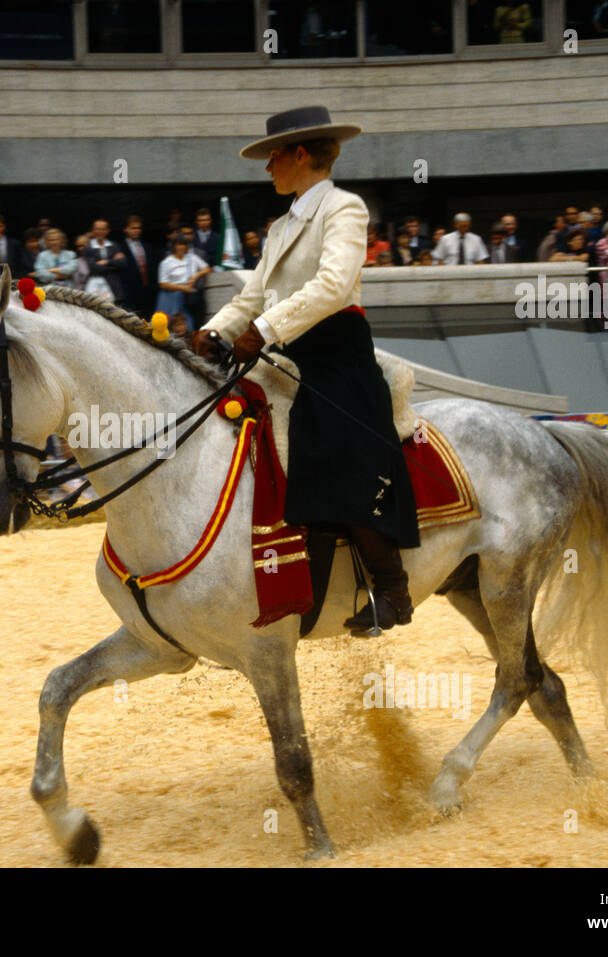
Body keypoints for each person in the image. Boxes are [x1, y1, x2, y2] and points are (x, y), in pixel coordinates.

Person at [189, 105, 419, 633]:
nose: (267, 166)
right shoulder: (280, 225)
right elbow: (252, 294)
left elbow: (334, 285)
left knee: (337, 445)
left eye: (273, 156)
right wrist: (216, 330)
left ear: (299, 154)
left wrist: (264, 330)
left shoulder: (345, 209)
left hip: (337, 352)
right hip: (286, 350)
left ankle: (392, 589)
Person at [154, 235, 211, 330]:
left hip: (188, 296)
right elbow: (163, 284)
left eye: (184, 245)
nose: (181, 247)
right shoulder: (166, 262)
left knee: (187, 322)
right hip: (171, 295)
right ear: (174, 247)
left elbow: (207, 269)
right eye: (178, 245)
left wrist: (195, 276)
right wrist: (182, 288)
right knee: (170, 323)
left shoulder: (192, 257)